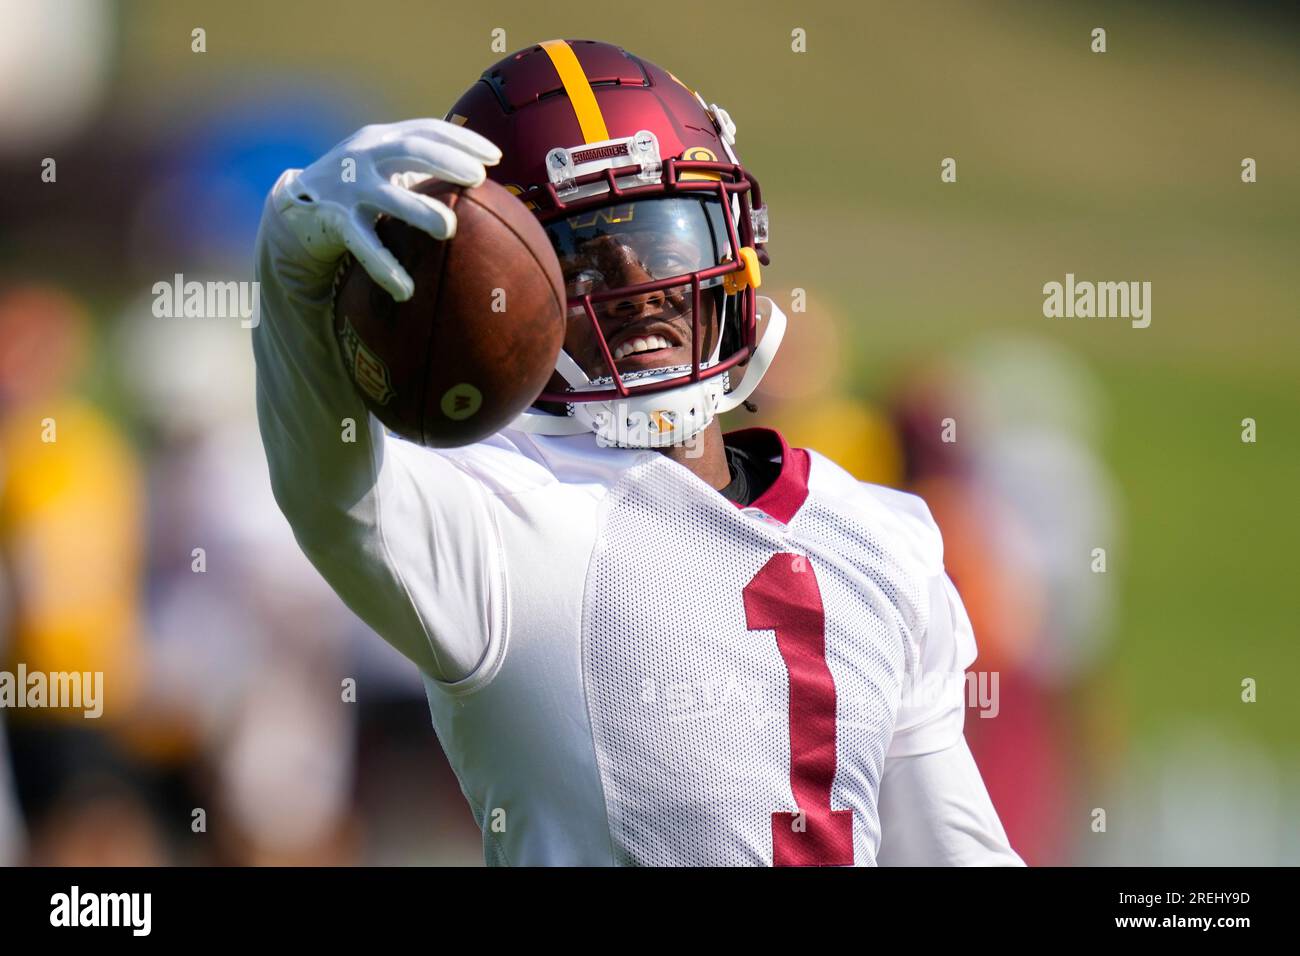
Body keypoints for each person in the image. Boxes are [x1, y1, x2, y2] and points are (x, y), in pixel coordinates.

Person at [252, 39, 1022, 866]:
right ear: (489, 295)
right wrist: (291, 276)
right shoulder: (501, 528)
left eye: (660, 235)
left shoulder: (884, 538)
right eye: (577, 256)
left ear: (735, 241)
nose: (632, 276)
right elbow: (332, 498)